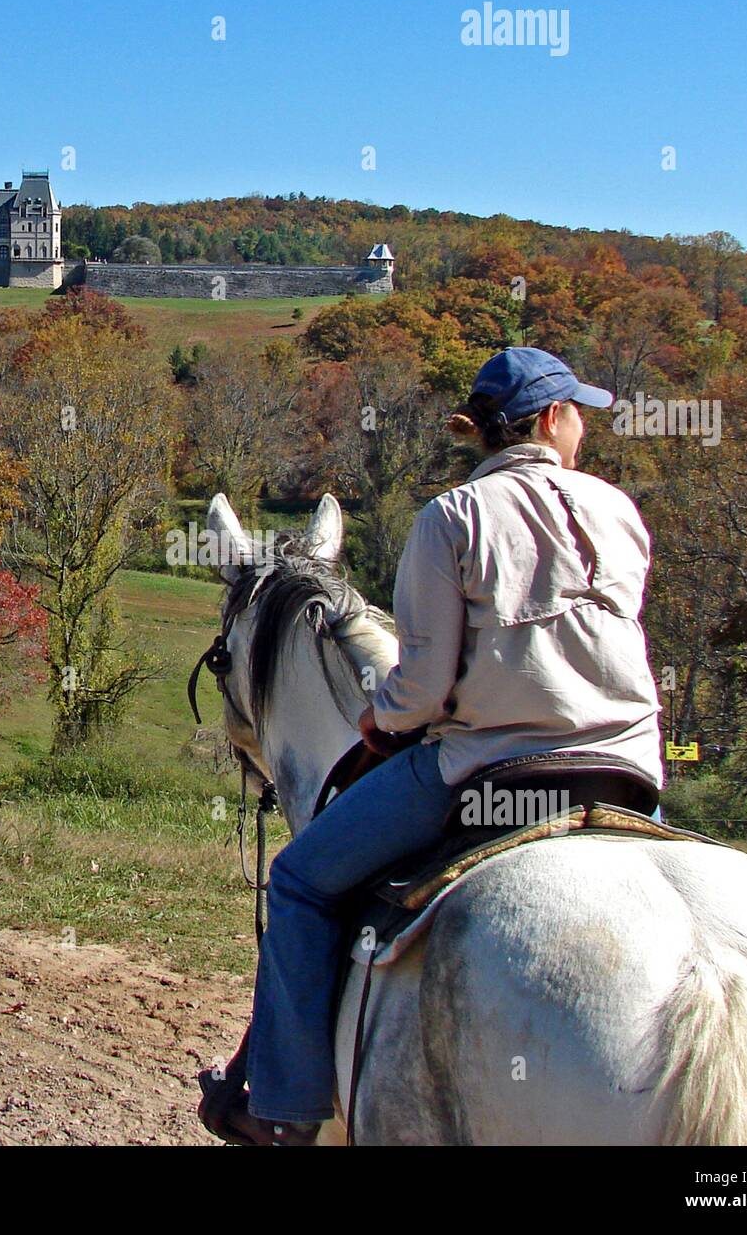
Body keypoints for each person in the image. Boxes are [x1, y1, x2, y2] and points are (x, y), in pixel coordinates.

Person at [218, 346, 665, 1145]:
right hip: (628, 771)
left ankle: (280, 1111)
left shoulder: (453, 518)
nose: (585, 428)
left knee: (300, 881)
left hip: (486, 771)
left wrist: (379, 719)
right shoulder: (619, 511)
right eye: (580, 414)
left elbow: (421, 691)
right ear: (554, 419)